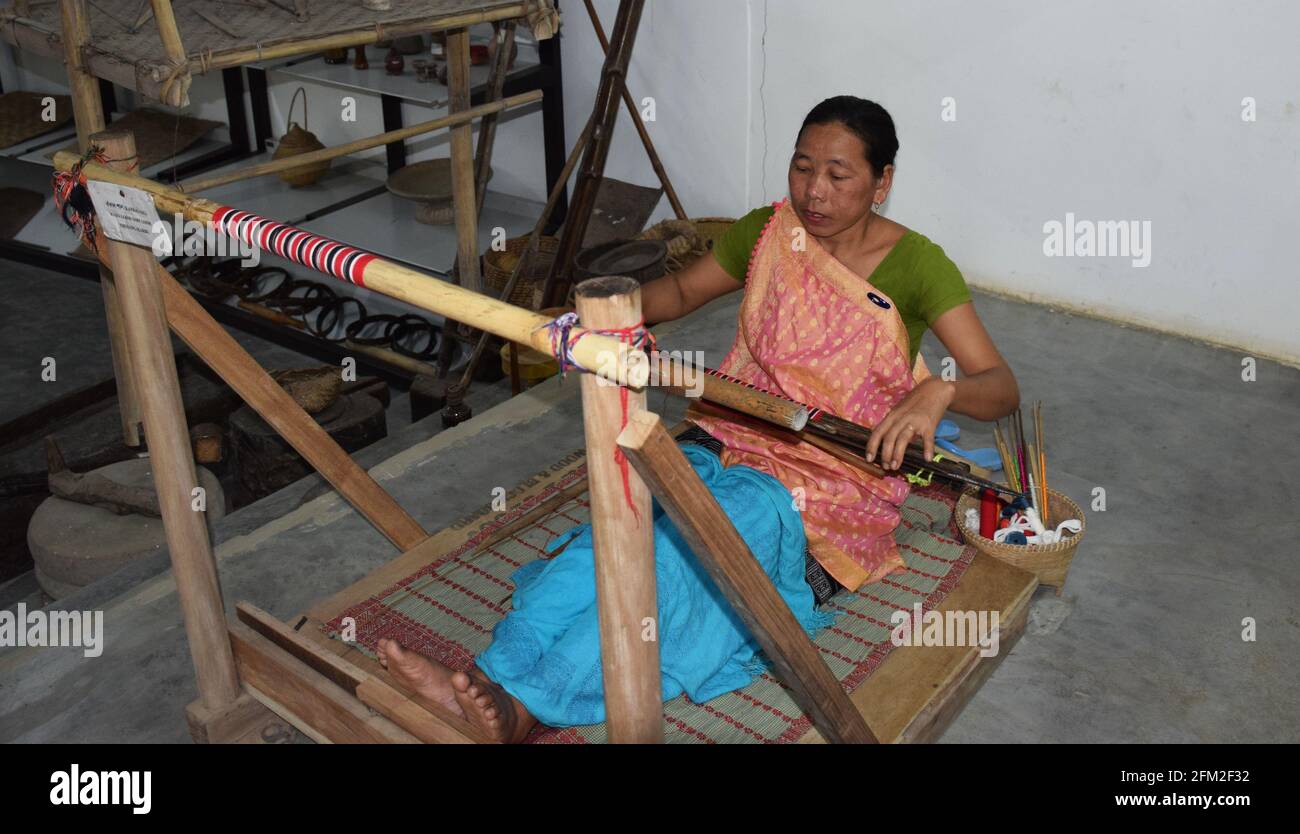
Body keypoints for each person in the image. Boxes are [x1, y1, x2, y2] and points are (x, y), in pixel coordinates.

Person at [379, 95, 1020, 740]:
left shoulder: (918, 266)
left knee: (682, 552)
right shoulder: (770, 232)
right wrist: (604, 316)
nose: (814, 192)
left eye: (838, 174)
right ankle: (492, 675)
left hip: (830, 476)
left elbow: (999, 387)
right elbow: (682, 291)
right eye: (802, 168)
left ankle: (523, 711)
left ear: (882, 182)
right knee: (621, 523)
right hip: (734, 429)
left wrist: (938, 389)